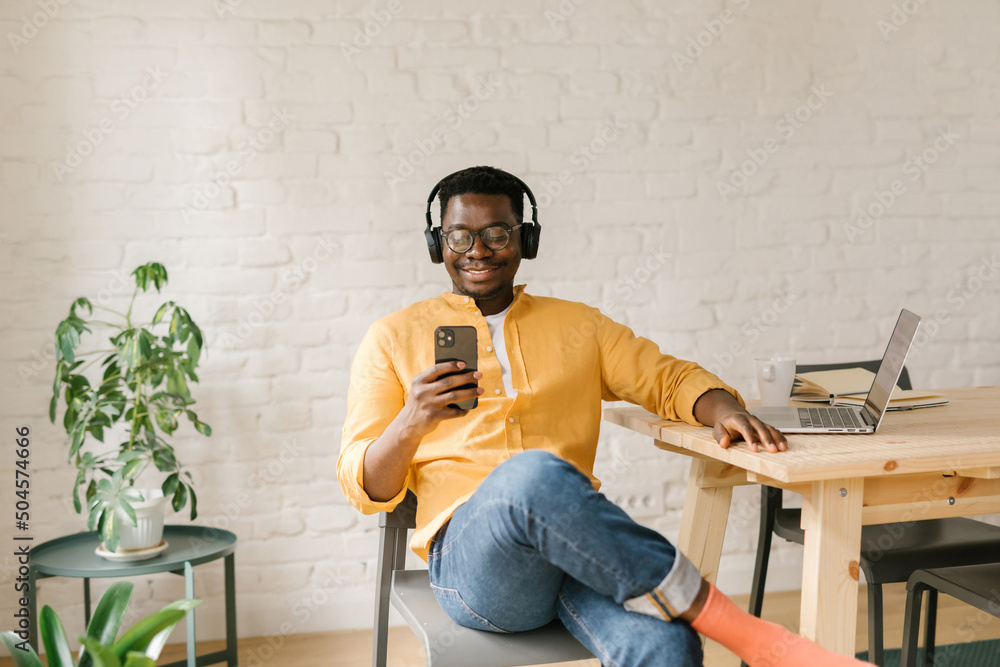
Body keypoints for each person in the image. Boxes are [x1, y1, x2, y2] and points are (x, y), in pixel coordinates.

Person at [338, 166, 871, 666]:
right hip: (475, 571)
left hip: (576, 553)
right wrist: (412, 418)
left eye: (497, 234)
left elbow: (666, 378)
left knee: (665, 641)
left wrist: (725, 407)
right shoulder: (392, 338)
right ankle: (746, 632)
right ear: (439, 246)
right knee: (532, 473)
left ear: (525, 239)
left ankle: (703, 621)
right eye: (459, 236)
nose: (478, 250)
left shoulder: (579, 325)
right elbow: (365, 485)